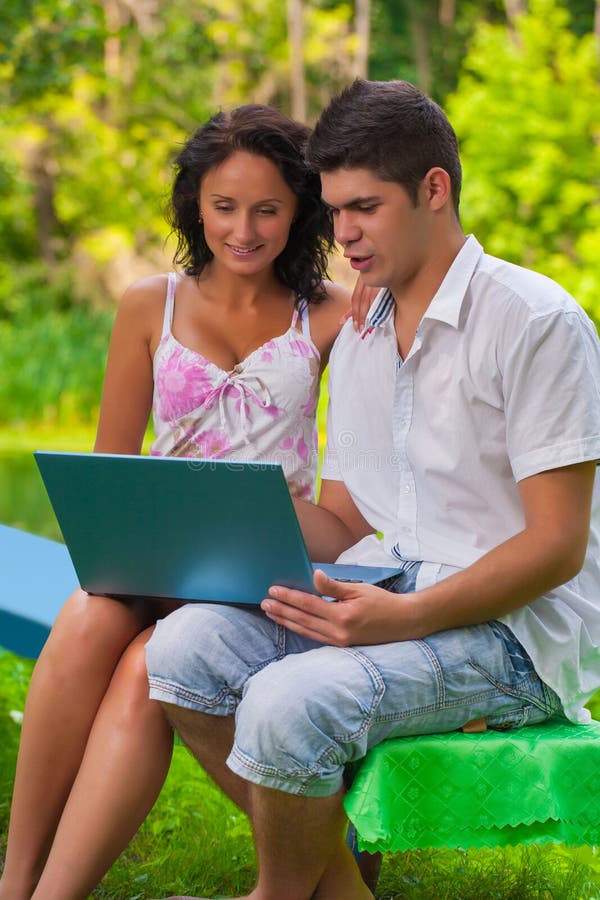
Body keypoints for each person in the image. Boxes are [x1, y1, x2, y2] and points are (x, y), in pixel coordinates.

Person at [144, 78, 600, 900]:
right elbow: (348, 521)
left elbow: (558, 547)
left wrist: (407, 616)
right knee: (185, 650)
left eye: (365, 208)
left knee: (287, 700)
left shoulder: (536, 321)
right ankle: (339, 890)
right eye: (334, 211)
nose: (342, 235)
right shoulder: (362, 336)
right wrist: (237, 513)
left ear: (435, 189)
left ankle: (280, 893)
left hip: (514, 636)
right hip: (385, 588)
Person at [0, 104, 350, 900]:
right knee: (89, 616)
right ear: (196, 203)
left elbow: (349, 502)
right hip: (156, 563)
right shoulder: (147, 305)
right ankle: (16, 884)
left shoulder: (330, 314)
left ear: (298, 209)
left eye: (268, 208)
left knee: (139, 670)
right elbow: (108, 472)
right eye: (225, 206)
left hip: (266, 575)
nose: (245, 230)